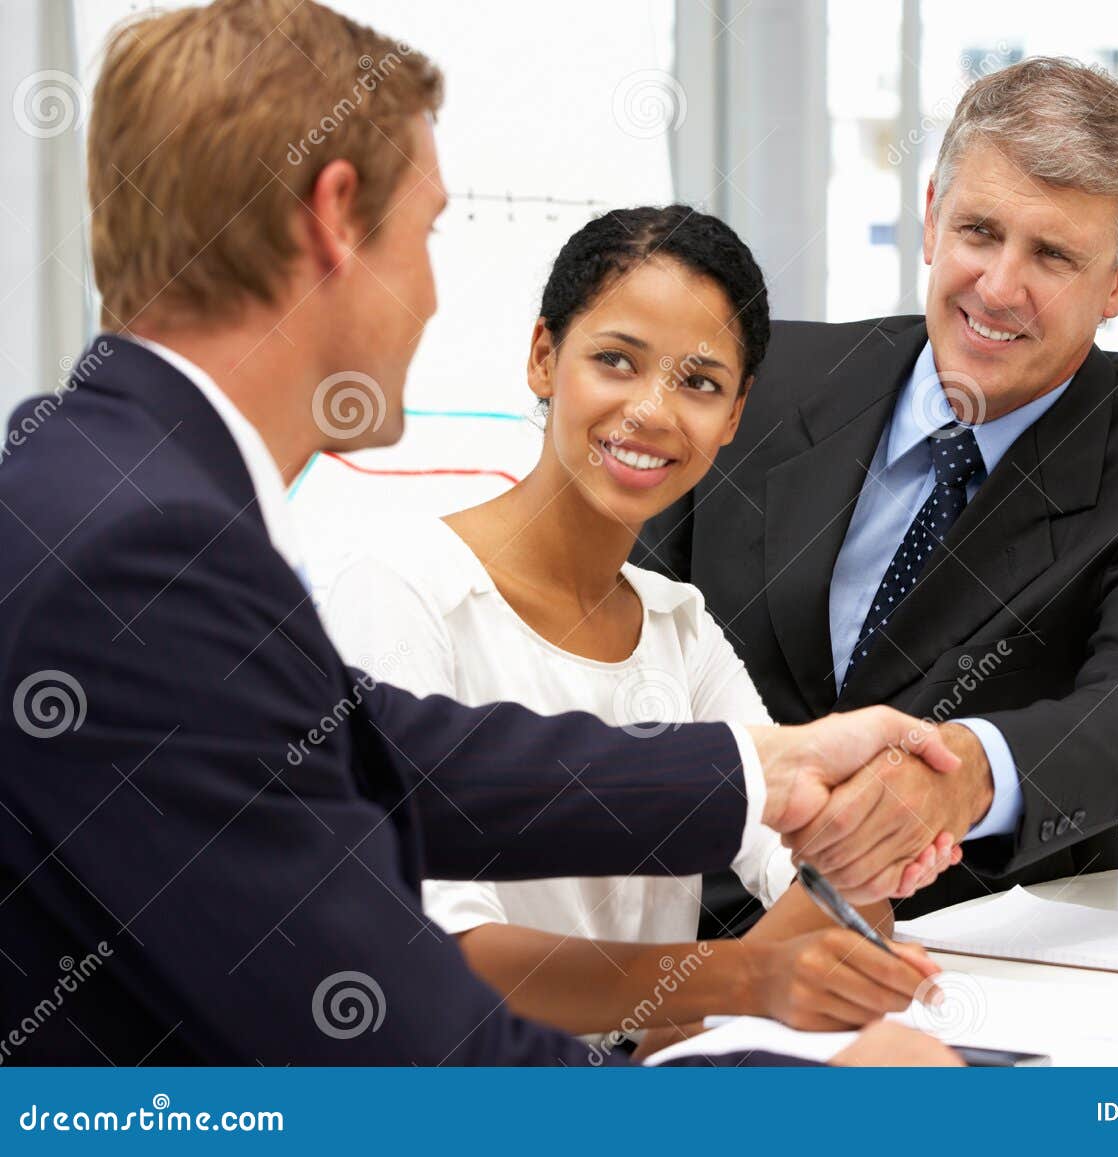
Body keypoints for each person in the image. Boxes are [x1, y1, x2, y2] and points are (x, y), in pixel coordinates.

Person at [0, 0, 959, 1066]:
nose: (429, 292)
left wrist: (769, 772)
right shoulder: (147, 560)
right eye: (427, 233)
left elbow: (386, 756)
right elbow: (406, 1049)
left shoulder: (100, 489)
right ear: (333, 214)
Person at [635, 56, 1118, 922]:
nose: (1000, 286)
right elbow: (617, 629)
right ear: (933, 214)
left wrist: (967, 773)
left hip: (964, 966)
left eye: (1052, 254)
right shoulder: (755, 377)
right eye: (979, 231)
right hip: (670, 937)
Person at [322, 204, 954, 1044]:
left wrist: (872, 840)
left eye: (699, 382)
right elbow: (439, 957)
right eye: (616, 360)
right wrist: (749, 978)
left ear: (734, 417)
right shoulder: (405, 592)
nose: (654, 411)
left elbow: (810, 875)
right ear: (544, 356)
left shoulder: (678, 627)